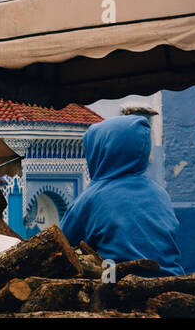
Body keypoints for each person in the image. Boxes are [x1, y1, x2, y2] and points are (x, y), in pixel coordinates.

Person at [59, 115, 185, 276]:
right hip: (170, 279)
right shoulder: (159, 193)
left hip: (117, 285)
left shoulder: (92, 198)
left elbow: (61, 242)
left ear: (101, 151)